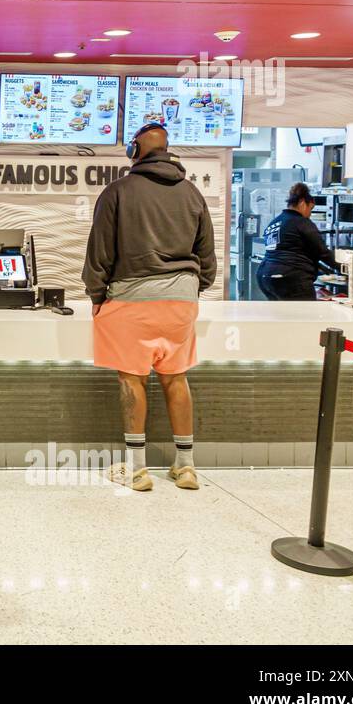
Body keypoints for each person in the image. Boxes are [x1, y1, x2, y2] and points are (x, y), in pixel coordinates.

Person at [82, 122, 216, 493]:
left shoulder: (117, 192)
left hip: (131, 300)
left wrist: (97, 296)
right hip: (182, 301)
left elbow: (100, 254)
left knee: (132, 378)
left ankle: (137, 469)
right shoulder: (192, 194)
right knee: (176, 377)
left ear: (134, 151)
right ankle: (186, 466)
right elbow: (207, 258)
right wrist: (191, 290)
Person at [257, 182, 332, 301]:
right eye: (310, 209)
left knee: (280, 317)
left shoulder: (275, 222)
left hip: (265, 277)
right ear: (302, 203)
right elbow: (323, 252)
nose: (310, 214)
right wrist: (345, 269)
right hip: (291, 278)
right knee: (303, 317)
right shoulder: (301, 222)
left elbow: (291, 251)